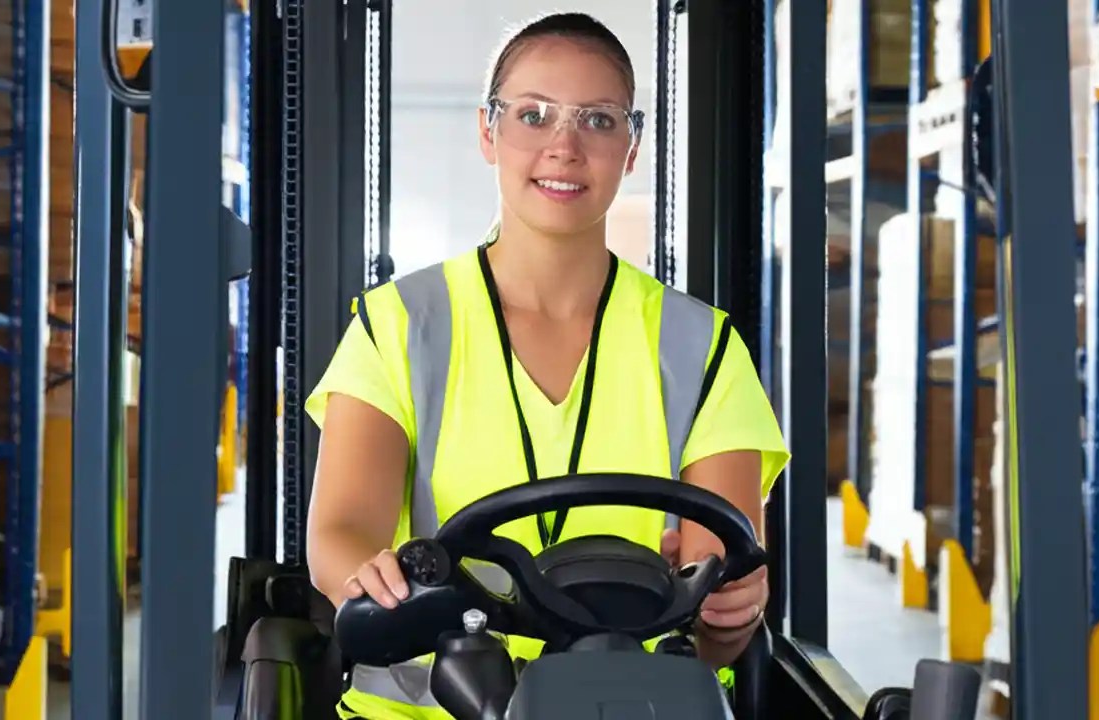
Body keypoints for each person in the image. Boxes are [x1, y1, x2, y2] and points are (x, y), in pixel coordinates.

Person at [303, 11, 789, 720]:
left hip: (642, 705)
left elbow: (715, 596)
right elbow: (342, 529)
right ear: (487, 131)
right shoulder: (400, 324)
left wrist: (729, 614)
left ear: (631, 148)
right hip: (435, 706)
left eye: (597, 120)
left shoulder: (703, 345)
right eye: (533, 115)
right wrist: (374, 578)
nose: (564, 147)